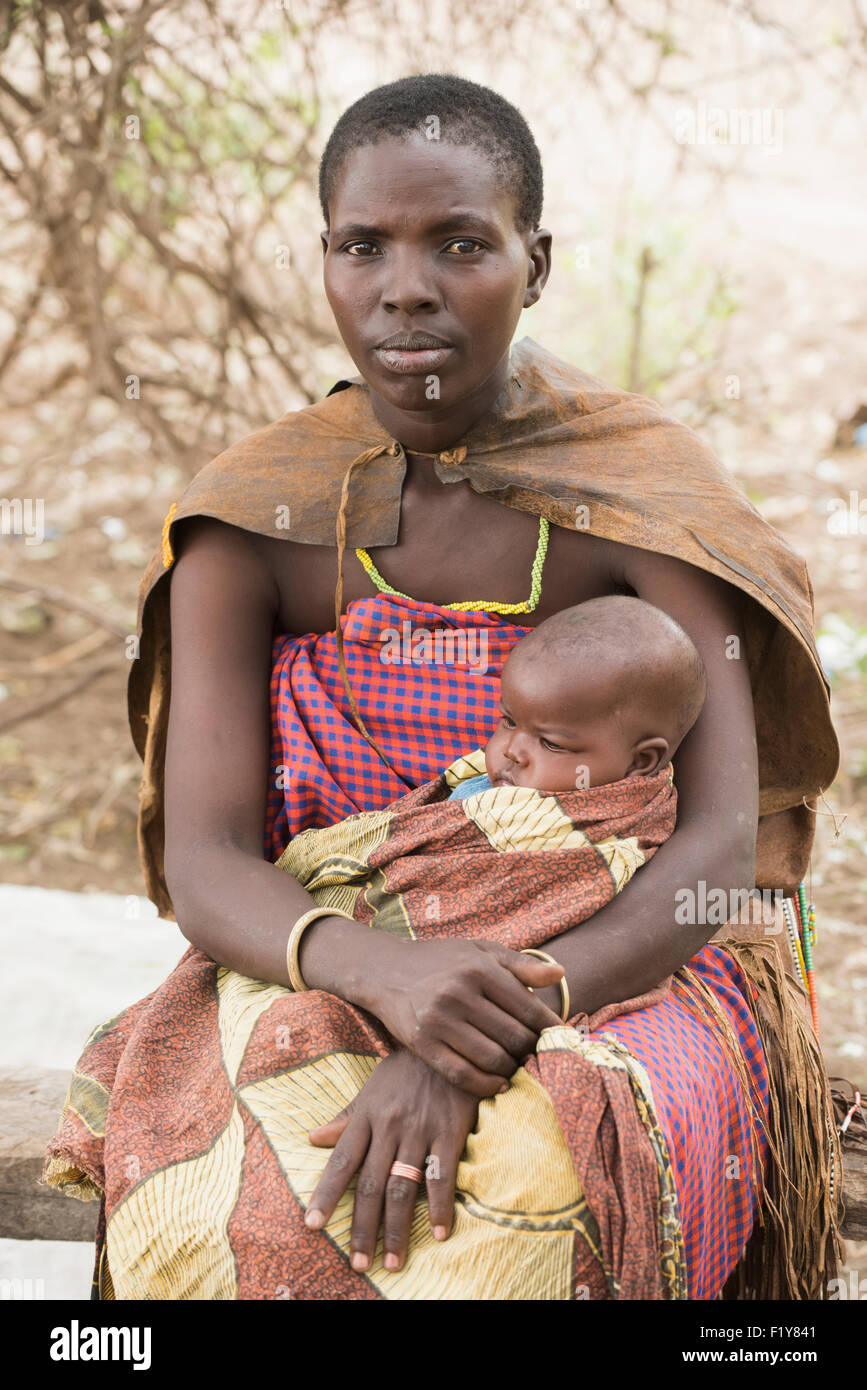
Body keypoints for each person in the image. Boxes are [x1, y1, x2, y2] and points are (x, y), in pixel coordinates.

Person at [45, 73, 840, 1301]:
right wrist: (385, 974)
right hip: (336, 941)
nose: (404, 286)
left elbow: (722, 848)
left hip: (630, 954)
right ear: (325, 261)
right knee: (223, 1189)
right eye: (363, 245)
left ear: (537, 261)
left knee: (536, 1184)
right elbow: (205, 863)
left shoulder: (644, 492)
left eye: (461, 243)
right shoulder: (251, 518)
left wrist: (493, 1021)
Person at [445, 594, 707, 798]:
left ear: (640, 761)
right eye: (510, 721)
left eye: (551, 743)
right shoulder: (486, 788)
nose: (512, 751)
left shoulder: (578, 837)